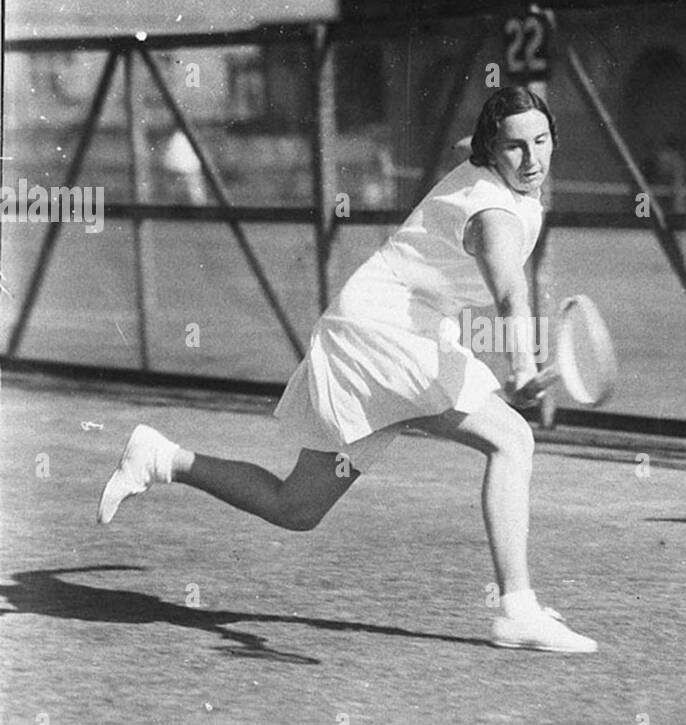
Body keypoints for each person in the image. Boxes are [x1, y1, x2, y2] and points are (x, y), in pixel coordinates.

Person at [98, 85, 597, 654]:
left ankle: (160, 457)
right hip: (384, 337)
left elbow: (477, 145)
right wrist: (524, 363)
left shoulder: (490, 164)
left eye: (541, 140)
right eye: (514, 147)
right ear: (491, 150)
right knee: (512, 439)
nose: (532, 159)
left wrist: (492, 140)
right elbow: (511, 290)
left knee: (297, 507)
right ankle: (517, 610)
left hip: (376, 330)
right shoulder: (493, 216)